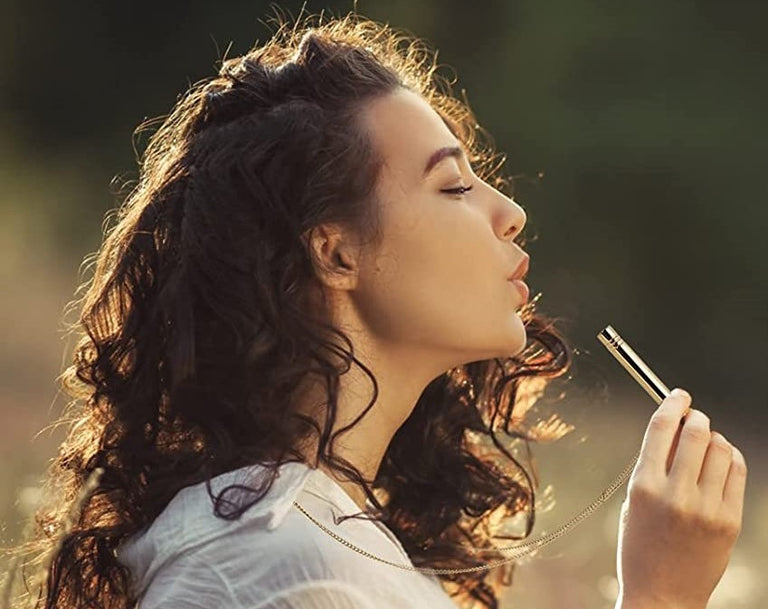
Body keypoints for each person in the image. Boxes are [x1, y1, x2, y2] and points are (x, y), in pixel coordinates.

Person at [2, 9, 746, 609]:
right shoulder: (283, 568)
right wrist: (661, 595)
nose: (511, 212)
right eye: (454, 186)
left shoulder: (327, 538)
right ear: (335, 252)